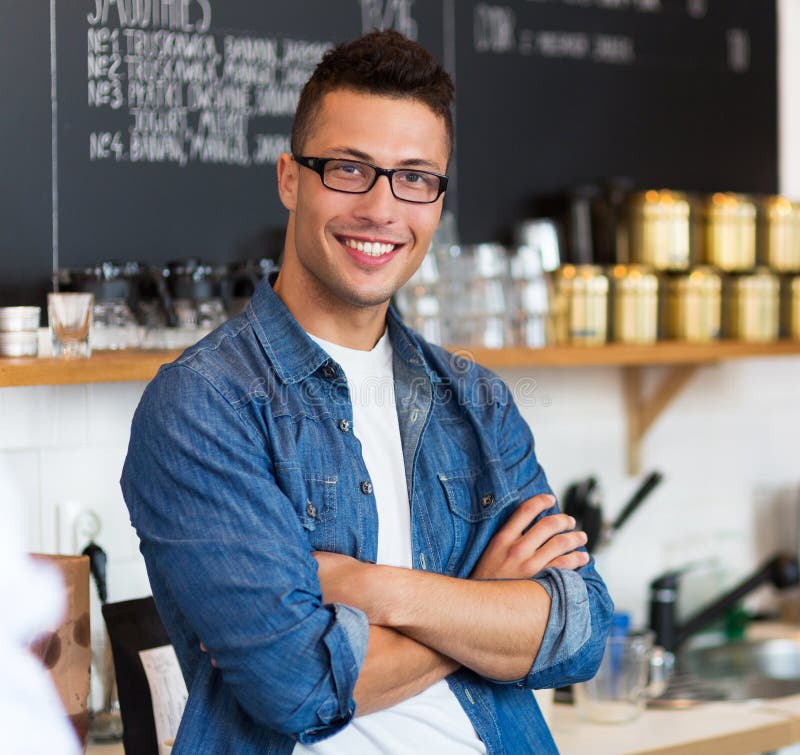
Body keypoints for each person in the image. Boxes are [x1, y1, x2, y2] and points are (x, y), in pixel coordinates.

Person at [122, 29, 613, 754]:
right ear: (290, 179)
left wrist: (378, 589)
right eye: (349, 169)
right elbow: (298, 685)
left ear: (437, 200)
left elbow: (581, 632)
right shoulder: (203, 405)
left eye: (414, 177)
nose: (382, 210)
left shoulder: (476, 401)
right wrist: (483, 601)